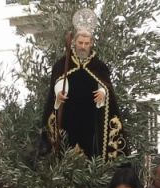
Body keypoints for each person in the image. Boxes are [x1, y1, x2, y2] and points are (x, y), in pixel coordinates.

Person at [47, 9, 121, 159]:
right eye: (80, 43)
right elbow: (58, 83)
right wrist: (58, 95)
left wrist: (103, 93)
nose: (83, 46)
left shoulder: (98, 66)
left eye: (86, 43)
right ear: (74, 42)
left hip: (91, 118)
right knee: (66, 150)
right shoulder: (63, 64)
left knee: (92, 151)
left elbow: (105, 86)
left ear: (91, 44)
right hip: (68, 117)